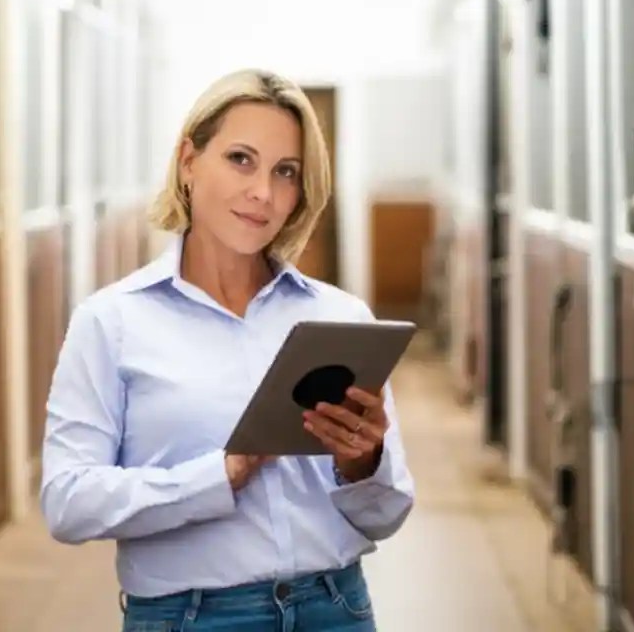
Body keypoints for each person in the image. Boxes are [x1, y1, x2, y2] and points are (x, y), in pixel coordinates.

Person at [39, 68, 415, 631]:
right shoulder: (112, 323)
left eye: (285, 172)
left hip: (335, 610)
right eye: (241, 159)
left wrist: (361, 463)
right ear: (189, 161)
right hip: (191, 618)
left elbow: (387, 514)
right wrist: (220, 475)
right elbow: (67, 502)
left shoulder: (340, 318)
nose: (262, 192)